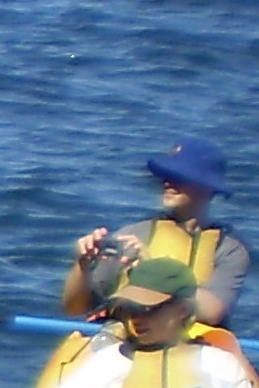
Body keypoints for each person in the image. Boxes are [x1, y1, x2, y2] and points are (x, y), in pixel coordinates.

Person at [25, 257, 259, 388]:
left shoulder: (220, 365)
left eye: (148, 309)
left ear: (183, 310)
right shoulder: (111, 361)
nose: (136, 318)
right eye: (129, 308)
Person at [62, 136, 245, 327]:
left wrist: (151, 266)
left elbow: (212, 312)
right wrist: (82, 266)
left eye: (179, 176)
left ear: (207, 188)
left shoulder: (229, 248)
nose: (167, 183)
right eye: (167, 176)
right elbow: (74, 308)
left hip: (189, 349)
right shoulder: (132, 235)